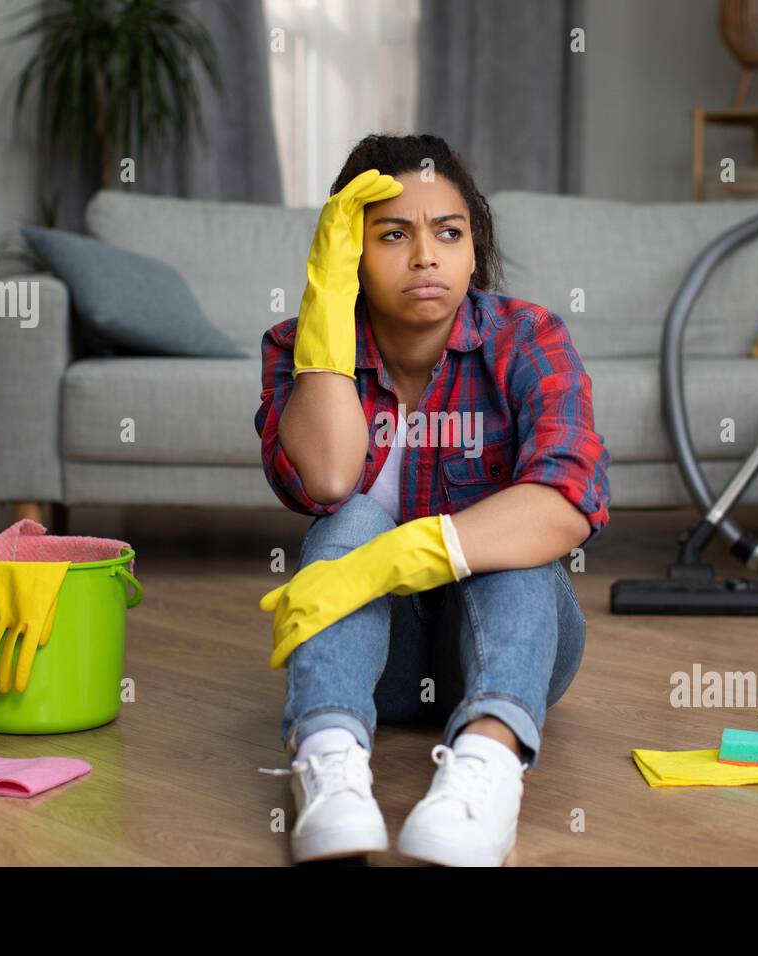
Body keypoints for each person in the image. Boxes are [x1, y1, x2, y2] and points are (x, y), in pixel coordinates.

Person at [254, 133, 610, 866]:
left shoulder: (527, 336)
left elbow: (567, 497)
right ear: (350, 250)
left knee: (517, 540)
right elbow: (324, 478)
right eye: (392, 235)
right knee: (348, 512)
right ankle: (329, 765)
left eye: (448, 233)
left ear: (473, 250)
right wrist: (326, 304)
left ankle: (486, 769)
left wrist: (404, 553)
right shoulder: (302, 344)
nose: (425, 256)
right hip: (375, 666)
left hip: (511, 650)